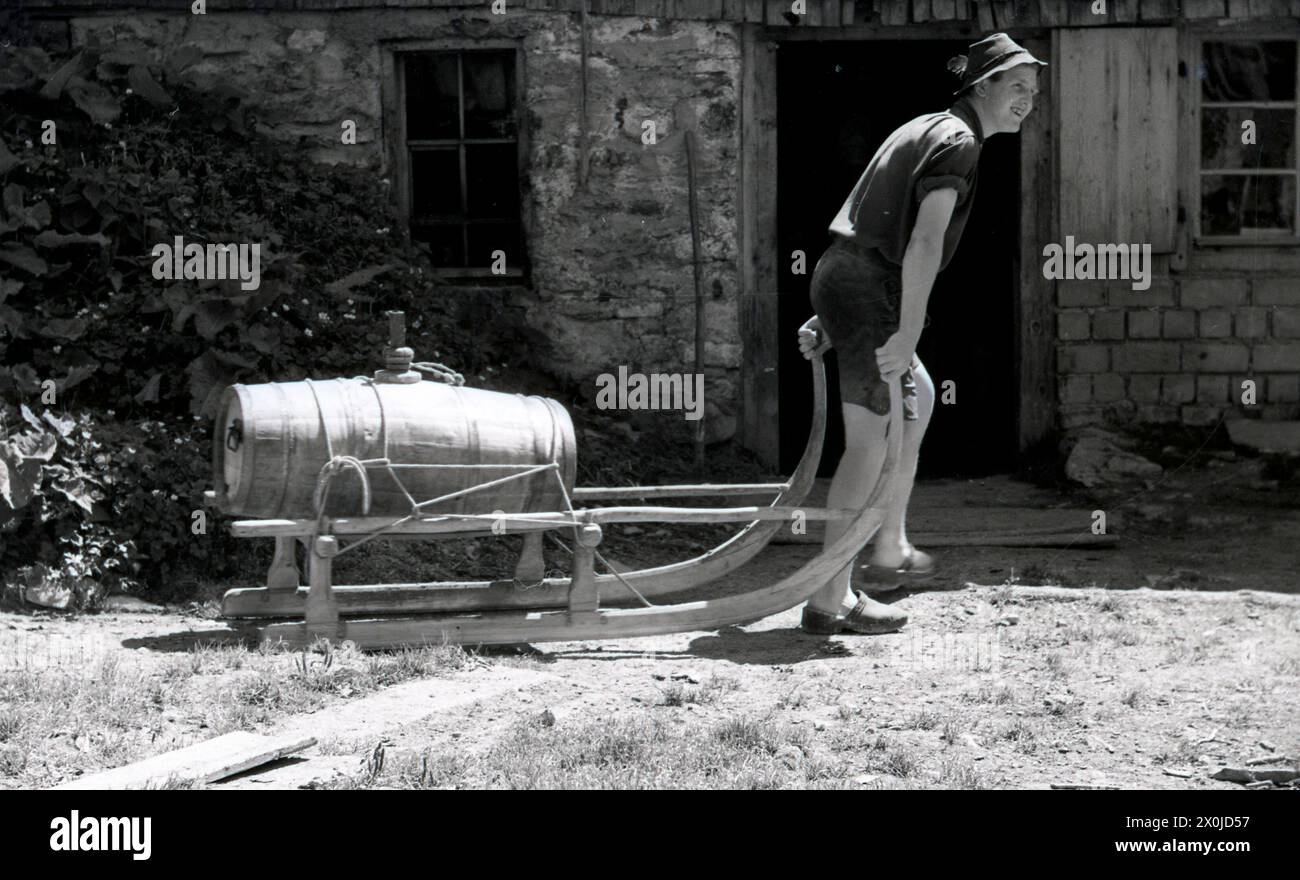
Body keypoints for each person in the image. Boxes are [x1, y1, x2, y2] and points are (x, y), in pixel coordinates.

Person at [797, 33, 1047, 635]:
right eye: (1016, 87)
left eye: (1034, 92)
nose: (1027, 101)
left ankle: (888, 543)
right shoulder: (958, 143)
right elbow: (924, 242)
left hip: (851, 282)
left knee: (921, 400)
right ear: (981, 86)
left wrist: (837, 316)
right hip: (868, 289)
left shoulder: (930, 127)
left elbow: (871, 224)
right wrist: (905, 332)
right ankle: (829, 598)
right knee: (869, 440)